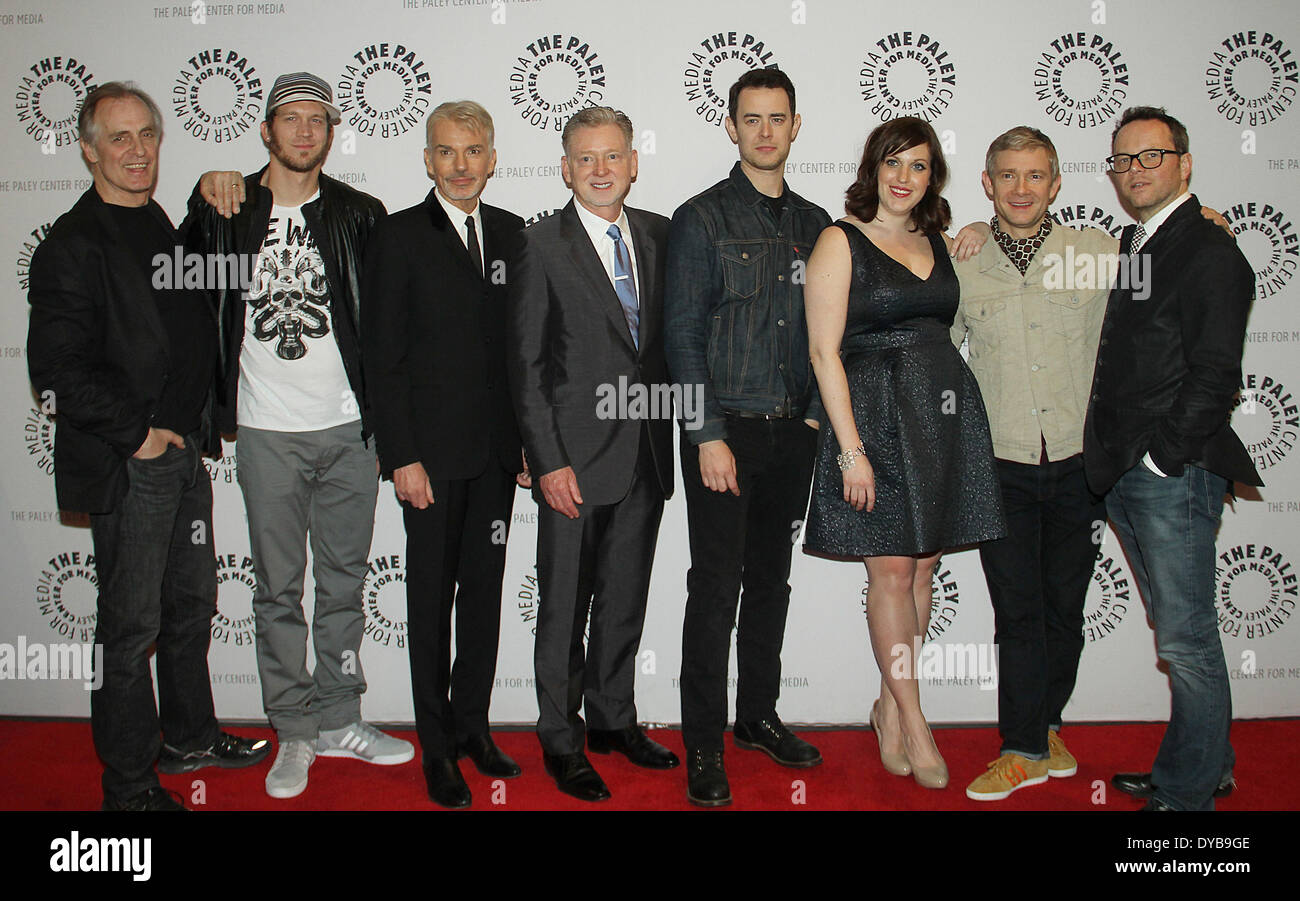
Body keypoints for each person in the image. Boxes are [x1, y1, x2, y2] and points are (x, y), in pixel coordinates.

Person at [27, 81, 269, 811]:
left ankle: (189, 734)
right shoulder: (73, 243)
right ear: (89, 148)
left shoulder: (158, 219)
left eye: (148, 136)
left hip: (183, 452)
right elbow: (56, 370)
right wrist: (136, 434)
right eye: (120, 139)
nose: (137, 152)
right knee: (130, 632)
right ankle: (128, 788)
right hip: (132, 464)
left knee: (191, 603)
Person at [181, 72, 411, 800]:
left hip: (349, 430)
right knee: (278, 591)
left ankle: (340, 717)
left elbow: (389, 326)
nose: (305, 131)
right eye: (291, 118)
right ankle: (296, 730)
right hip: (266, 433)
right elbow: (178, 299)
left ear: (332, 131)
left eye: (318, 119)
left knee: (342, 587)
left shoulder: (361, 214)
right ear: (265, 130)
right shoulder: (223, 206)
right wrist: (203, 188)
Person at [802, 115, 1006, 791]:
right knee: (889, 574)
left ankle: (888, 707)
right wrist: (850, 452)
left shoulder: (941, 238)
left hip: (941, 416)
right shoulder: (840, 240)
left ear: (932, 177)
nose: (903, 177)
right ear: (872, 168)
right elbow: (823, 351)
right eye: (892, 162)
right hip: (874, 419)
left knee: (921, 574)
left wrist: (980, 230)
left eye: (918, 166)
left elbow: (1011, 245)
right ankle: (918, 721)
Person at [1085, 106, 1259, 811]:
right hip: (1129, 471)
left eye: (1150, 157)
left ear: (1184, 163)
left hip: (1172, 474)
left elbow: (1217, 373)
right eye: (1123, 161)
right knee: (1177, 630)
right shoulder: (1139, 239)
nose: (1134, 171)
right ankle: (1204, 764)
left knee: (1187, 641)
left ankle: (1187, 798)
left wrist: (1162, 458)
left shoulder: (1212, 251)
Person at [664, 69, 830, 808]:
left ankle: (756, 715)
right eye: (751, 119)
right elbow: (681, 335)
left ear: (796, 127)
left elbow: (833, 332)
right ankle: (702, 740)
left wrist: (819, 419)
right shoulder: (700, 218)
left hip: (792, 433)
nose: (765, 131)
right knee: (714, 586)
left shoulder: (820, 223)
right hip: (724, 432)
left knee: (772, 582)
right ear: (731, 127)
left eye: (777, 118)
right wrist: (704, 434)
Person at [507, 106, 677, 803]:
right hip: (572, 462)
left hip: (644, 453)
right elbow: (526, 363)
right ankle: (561, 738)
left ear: (633, 163)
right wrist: (546, 459)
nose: (601, 170)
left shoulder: (663, 236)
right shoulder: (540, 244)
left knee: (624, 602)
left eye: (612, 156)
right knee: (564, 607)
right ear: (566, 167)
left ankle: (613, 719)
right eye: (586, 158)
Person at [362, 100, 527, 809]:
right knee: (430, 606)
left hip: (495, 459)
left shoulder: (517, 234)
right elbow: (382, 357)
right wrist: (400, 454)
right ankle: (436, 747)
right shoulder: (397, 237)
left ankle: (472, 728)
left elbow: (522, 353)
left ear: (492, 158)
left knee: (484, 601)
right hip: (427, 461)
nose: (461, 165)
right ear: (428, 160)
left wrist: (526, 445)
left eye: (474, 150)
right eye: (447, 151)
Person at [950, 127, 1112, 800]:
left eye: (1034, 175)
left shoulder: (1098, 253)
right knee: (1017, 610)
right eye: (1007, 175)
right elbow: (938, 354)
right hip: (1003, 463)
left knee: (1064, 611)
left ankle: (1045, 725)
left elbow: (1166, 275)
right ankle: (1020, 747)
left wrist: (1210, 220)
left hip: (1079, 461)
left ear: (1056, 182)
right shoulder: (961, 263)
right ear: (987, 182)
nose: (1021, 188)